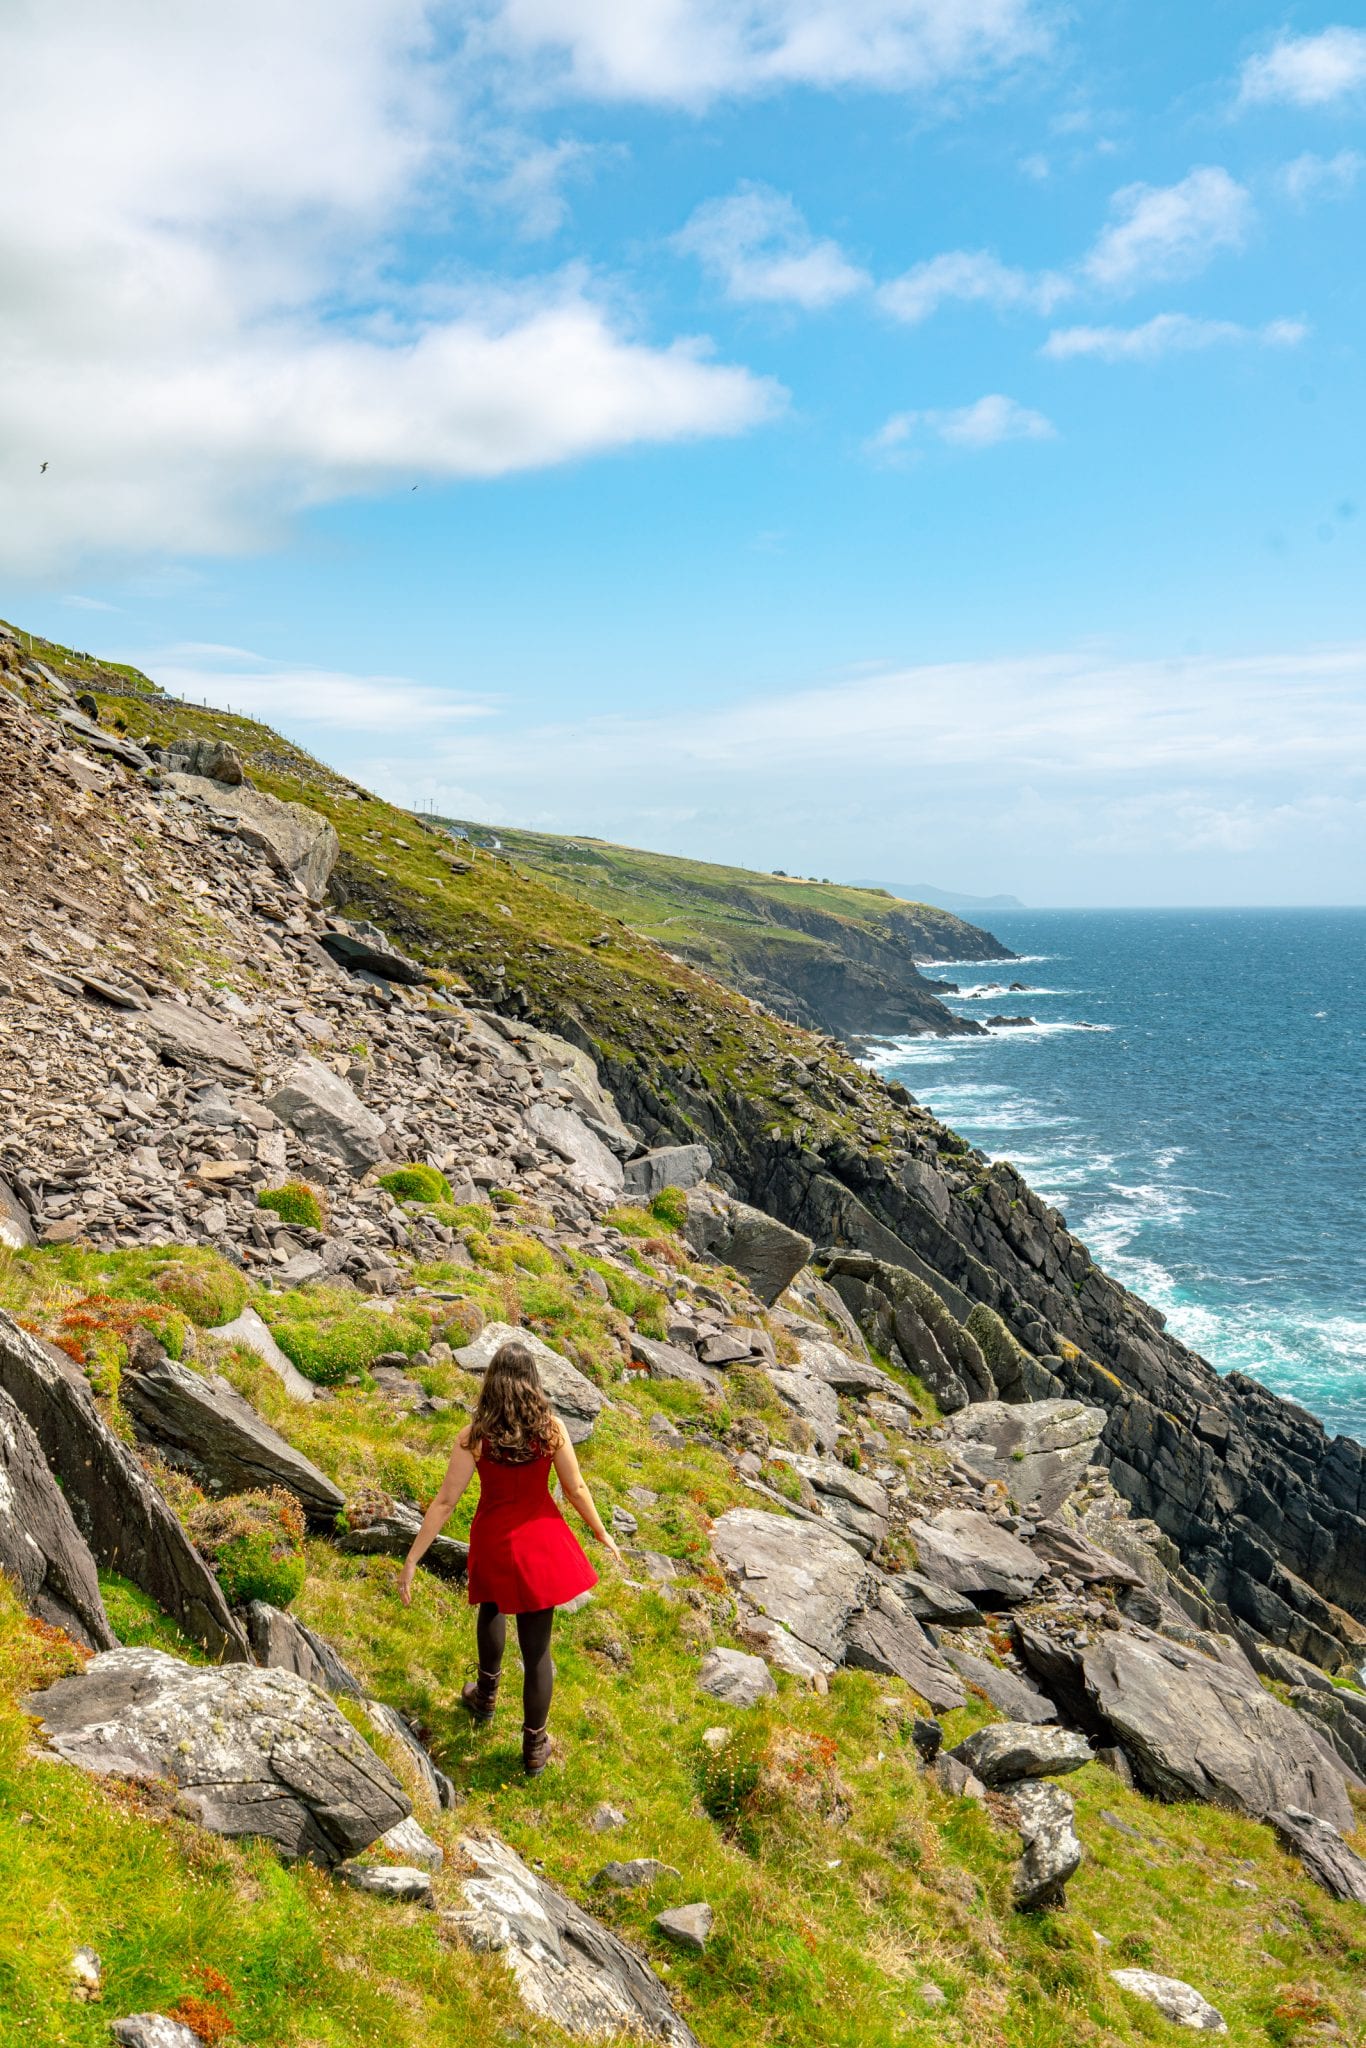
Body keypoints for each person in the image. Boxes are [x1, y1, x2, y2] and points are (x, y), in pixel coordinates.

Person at [398, 1338, 621, 1775]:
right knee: (537, 1651)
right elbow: (576, 1490)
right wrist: (601, 1533)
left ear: (492, 1381)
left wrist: (412, 1559)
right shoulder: (551, 1429)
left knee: (492, 1607)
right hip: (540, 1544)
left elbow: (445, 1502)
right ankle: (534, 1748)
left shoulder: (474, 1437)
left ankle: (484, 1697)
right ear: (532, 1381)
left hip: (495, 1540)